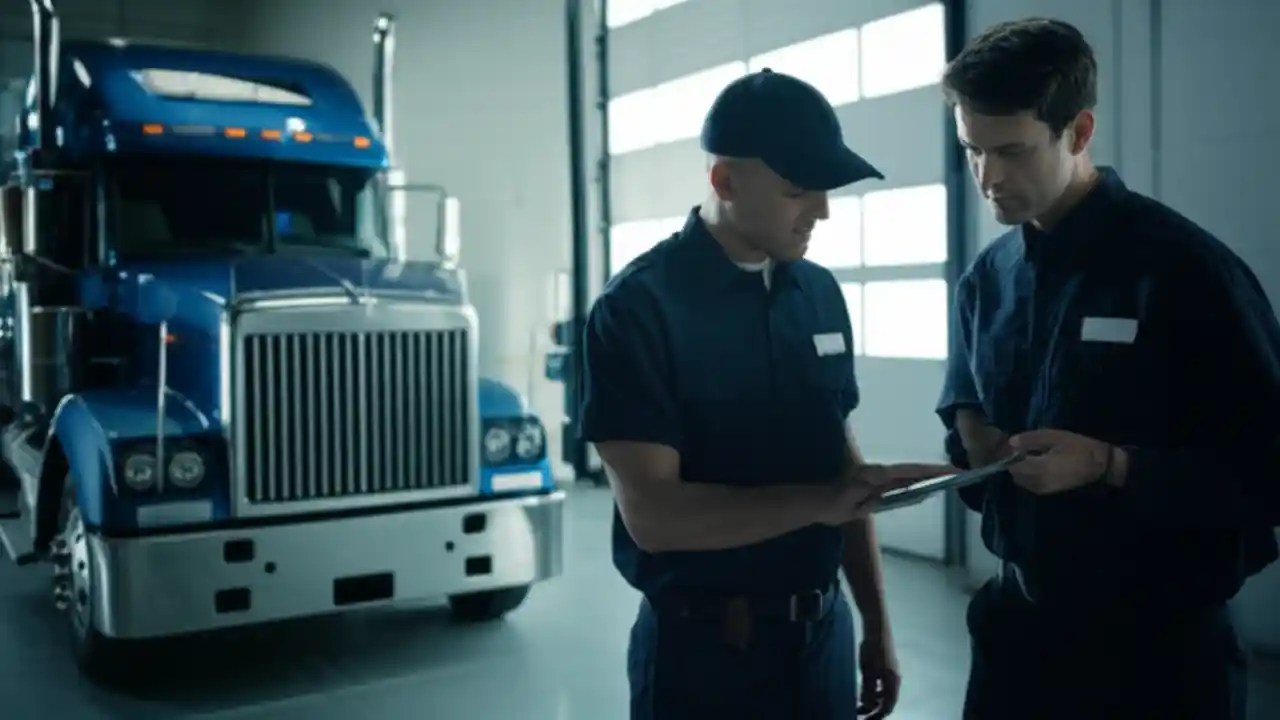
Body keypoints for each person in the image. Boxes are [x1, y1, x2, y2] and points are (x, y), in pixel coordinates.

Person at [578, 68, 955, 719]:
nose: (823, 211)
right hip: (704, 657)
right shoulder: (638, 309)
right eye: (798, 190)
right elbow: (655, 517)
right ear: (724, 181)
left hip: (823, 644)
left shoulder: (818, 293)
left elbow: (841, 460)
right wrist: (823, 502)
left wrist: (875, 625)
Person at [935, 17, 1280, 720]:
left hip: (1155, 659)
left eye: (1012, 152)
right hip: (1016, 641)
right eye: (972, 150)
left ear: (1080, 131)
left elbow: (1268, 469)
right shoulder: (987, 279)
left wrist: (1108, 464)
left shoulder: (1184, 271)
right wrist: (970, 432)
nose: (988, 178)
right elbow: (966, 394)